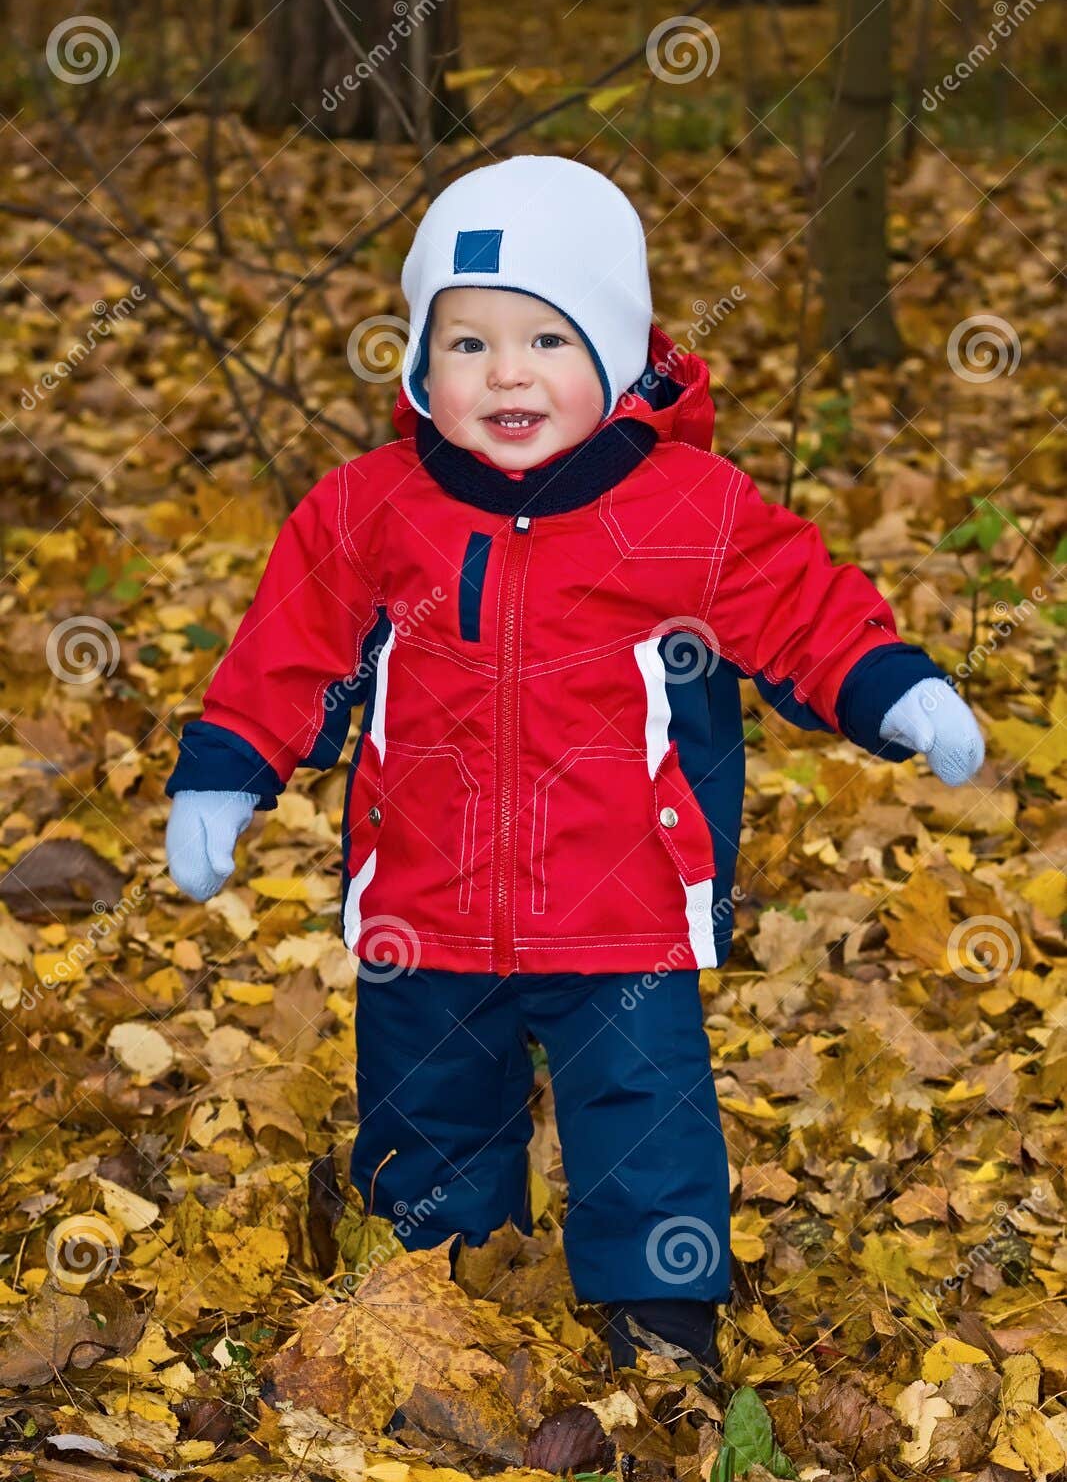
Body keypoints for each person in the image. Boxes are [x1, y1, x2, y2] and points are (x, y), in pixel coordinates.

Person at [165, 155, 984, 1376]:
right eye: (467, 340)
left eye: (546, 338)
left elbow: (801, 608)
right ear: (417, 364)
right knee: (427, 1113)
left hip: (624, 900)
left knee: (640, 1118)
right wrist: (225, 772)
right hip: (422, 906)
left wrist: (895, 691)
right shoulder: (369, 509)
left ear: (611, 351)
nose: (506, 372)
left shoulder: (687, 510)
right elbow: (289, 649)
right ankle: (432, 1301)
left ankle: (660, 1318)